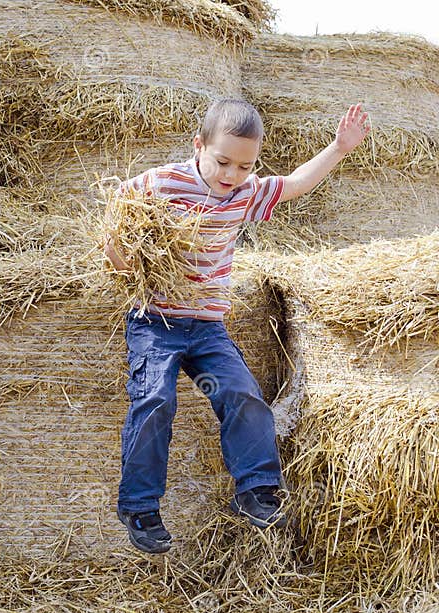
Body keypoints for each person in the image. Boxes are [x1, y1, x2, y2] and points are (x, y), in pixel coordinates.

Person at [104, 99, 370, 554]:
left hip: (208, 326)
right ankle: (140, 505)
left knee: (242, 394)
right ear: (199, 146)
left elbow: (296, 183)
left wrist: (340, 148)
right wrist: (122, 259)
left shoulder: (245, 194)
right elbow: (116, 217)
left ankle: (257, 491)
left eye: (245, 166)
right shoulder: (163, 181)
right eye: (222, 161)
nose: (231, 174)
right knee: (155, 399)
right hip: (156, 320)